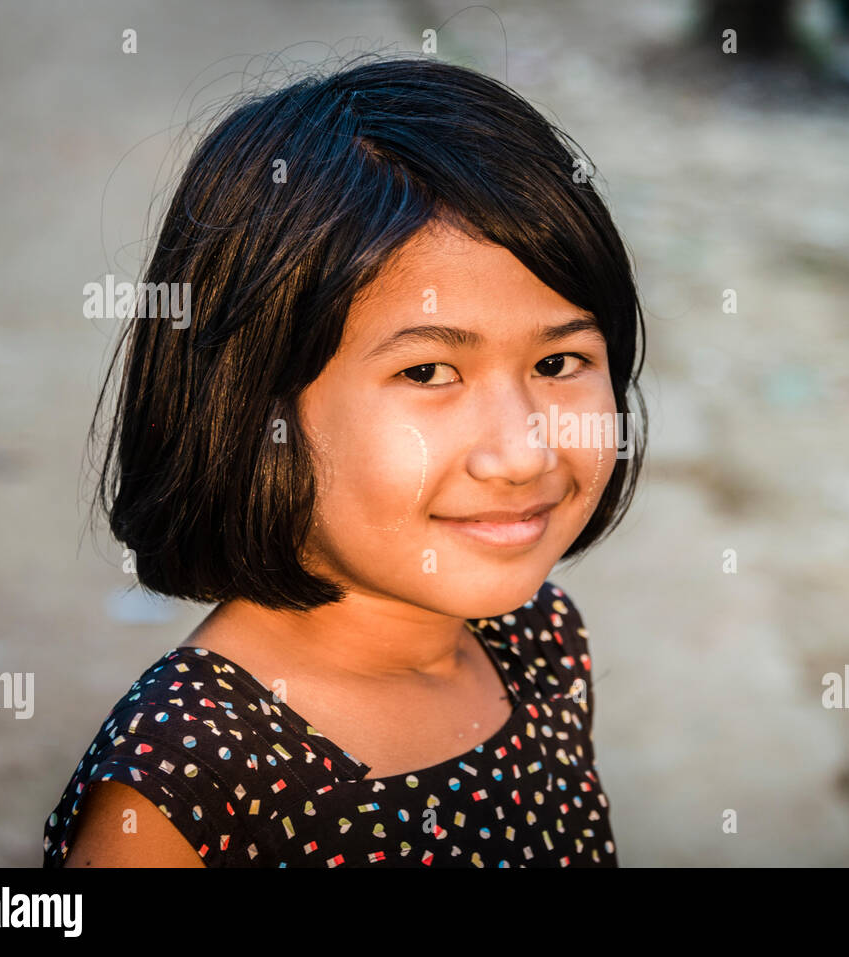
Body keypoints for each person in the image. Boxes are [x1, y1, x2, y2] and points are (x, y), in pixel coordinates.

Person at [42, 53, 647, 867]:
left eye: (558, 362)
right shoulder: (187, 785)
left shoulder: (535, 639)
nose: (522, 450)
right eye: (428, 372)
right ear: (253, 407)